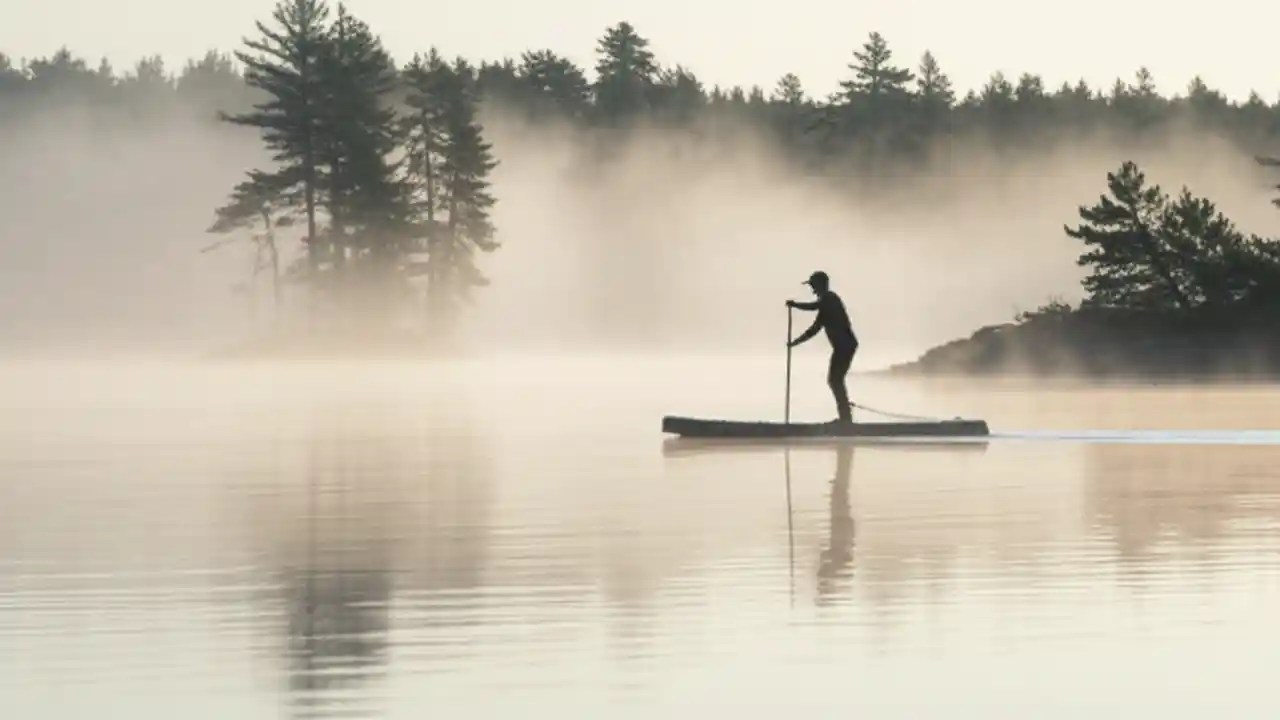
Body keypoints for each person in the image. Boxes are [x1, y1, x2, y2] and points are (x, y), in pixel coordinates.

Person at [787, 271, 858, 423]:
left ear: (821, 285)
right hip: (842, 347)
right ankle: (845, 417)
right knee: (834, 380)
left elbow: (813, 306)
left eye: (813, 286)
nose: (812, 290)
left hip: (845, 346)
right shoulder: (825, 308)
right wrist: (795, 343)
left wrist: (795, 305)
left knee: (835, 380)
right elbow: (814, 329)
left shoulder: (830, 299)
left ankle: (846, 419)